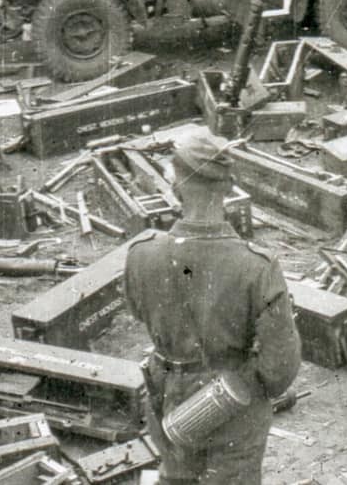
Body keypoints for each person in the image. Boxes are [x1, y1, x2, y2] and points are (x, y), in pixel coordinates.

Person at [124, 127, 301, 485]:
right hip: (234, 404)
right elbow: (280, 369)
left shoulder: (141, 252)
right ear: (227, 186)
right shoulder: (257, 266)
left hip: (167, 397)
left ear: (175, 184)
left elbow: (139, 311)